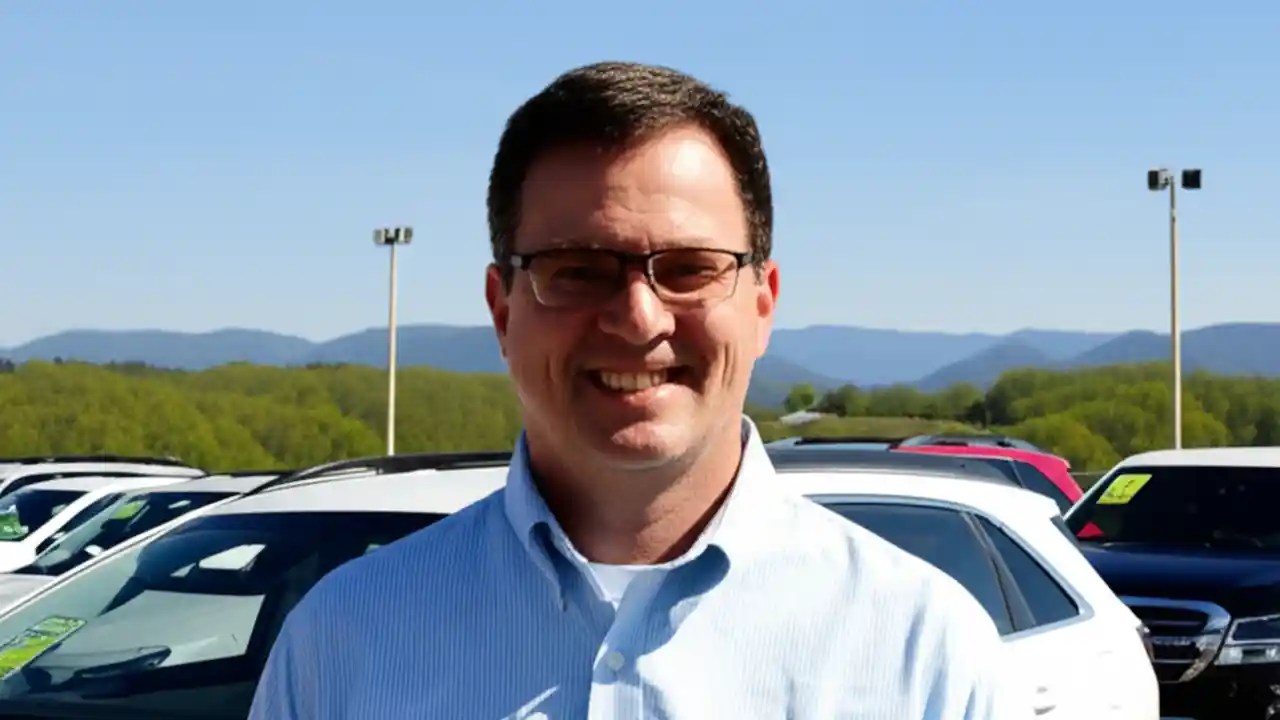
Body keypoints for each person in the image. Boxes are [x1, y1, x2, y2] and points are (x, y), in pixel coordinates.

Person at [248, 60, 1024, 719]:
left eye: (689, 269)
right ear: (501, 309)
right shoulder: (343, 642)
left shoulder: (921, 647)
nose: (637, 317)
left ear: (763, 304)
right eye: (577, 271)